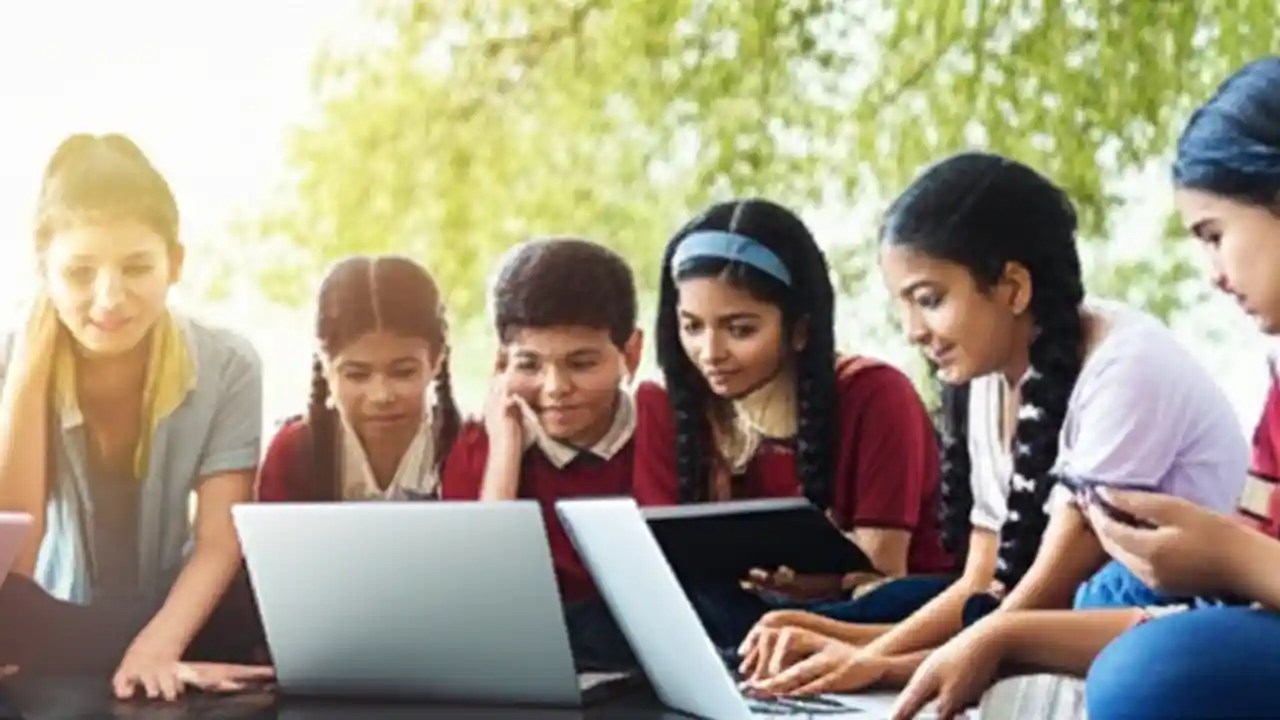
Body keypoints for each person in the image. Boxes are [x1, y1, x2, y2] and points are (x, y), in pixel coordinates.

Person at [739, 152, 1247, 702]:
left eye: (929, 300)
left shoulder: (1127, 369)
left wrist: (872, 662)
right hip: (1045, 623)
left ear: (1012, 288)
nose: (912, 331)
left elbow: (1044, 600)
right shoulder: (987, 374)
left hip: (1149, 625)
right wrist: (842, 640)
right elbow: (984, 583)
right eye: (902, 306)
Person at [891, 56, 1280, 720]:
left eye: (1215, 236)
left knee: (1148, 672)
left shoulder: (1127, 361)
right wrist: (1001, 636)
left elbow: (1242, 577)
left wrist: (1230, 555)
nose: (1212, 274)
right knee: (1116, 606)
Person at [0, 134, 269, 700]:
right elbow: (15, 543)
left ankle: (151, 646)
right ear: (42, 271)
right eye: (78, 273)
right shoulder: (10, 359)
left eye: (137, 268)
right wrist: (27, 370)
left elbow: (220, 538)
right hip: (48, 614)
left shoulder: (229, 364)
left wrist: (157, 647)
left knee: (245, 596)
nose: (108, 299)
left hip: (175, 613)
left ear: (175, 264)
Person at [633, 198, 952, 650]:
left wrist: (812, 586)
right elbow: (656, 566)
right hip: (734, 614)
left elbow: (881, 569)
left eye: (740, 330)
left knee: (894, 600)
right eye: (692, 327)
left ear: (800, 328)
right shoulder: (662, 403)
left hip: (870, 621)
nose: (710, 352)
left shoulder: (876, 394)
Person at [442, 237, 641, 671]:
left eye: (582, 363)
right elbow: (476, 598)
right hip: (520, 660)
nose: (555, 388)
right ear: (501, 365)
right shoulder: (482, 443)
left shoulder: (659, 435)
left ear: (631, 354)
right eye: (529, 365)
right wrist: (506, 456)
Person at [256, 255, 459, 502]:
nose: (381, 395)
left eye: (403, 372)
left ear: (437, 360)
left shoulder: (469, 450)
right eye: (357, 375)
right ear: (326, 367)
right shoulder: (293, 453)